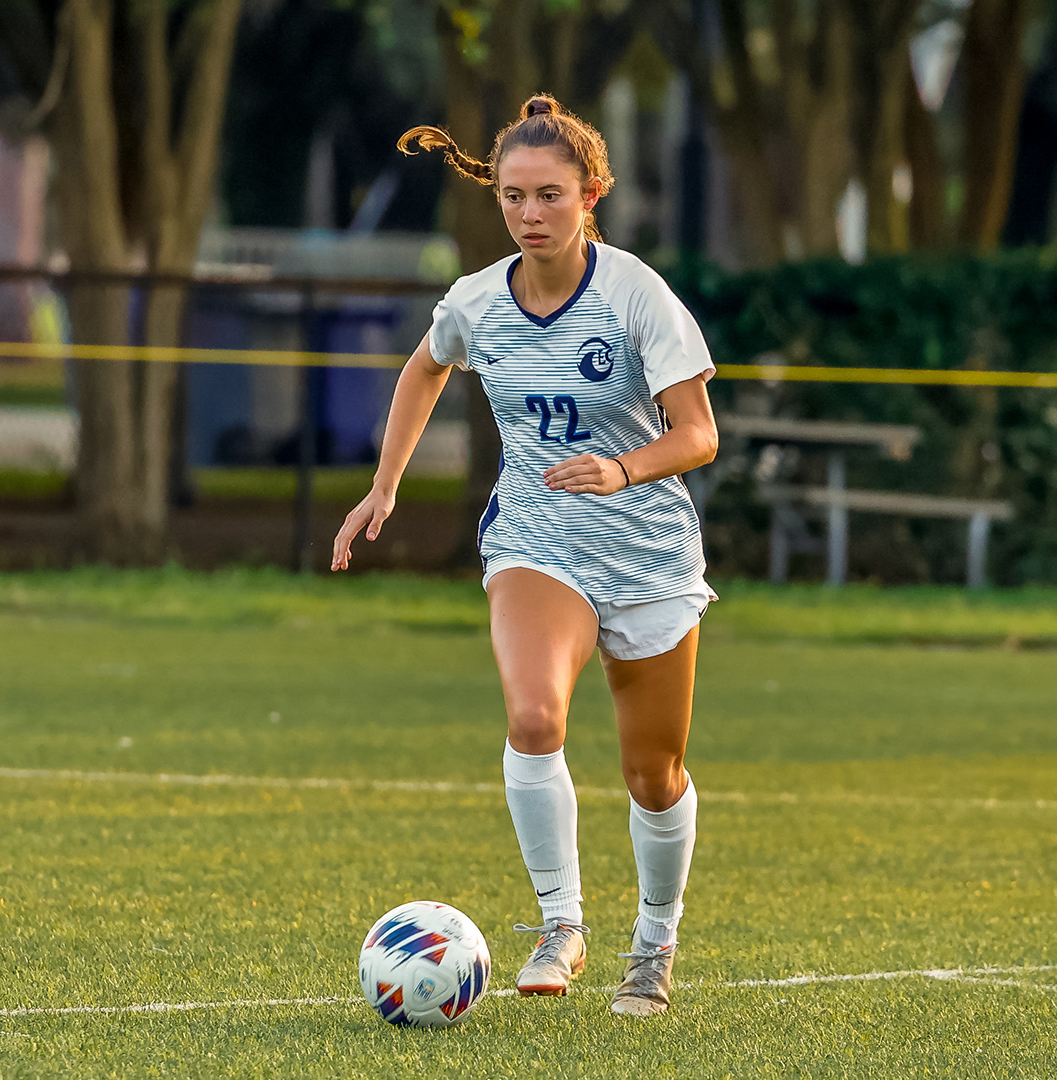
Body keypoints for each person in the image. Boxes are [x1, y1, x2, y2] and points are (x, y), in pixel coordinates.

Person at [331, 93, 718, 1019]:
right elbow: (425, 366)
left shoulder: (635, 294)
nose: (529, 214)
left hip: (650, 554)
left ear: (591, 194)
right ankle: (560, 924)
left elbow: (698, 435)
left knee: (651, 772)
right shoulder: (475, 302)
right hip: (537, 542)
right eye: (512, 197)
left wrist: (621, 468)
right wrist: (385, 485)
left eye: (549, 195)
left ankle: (654, 943)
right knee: (536, 716)